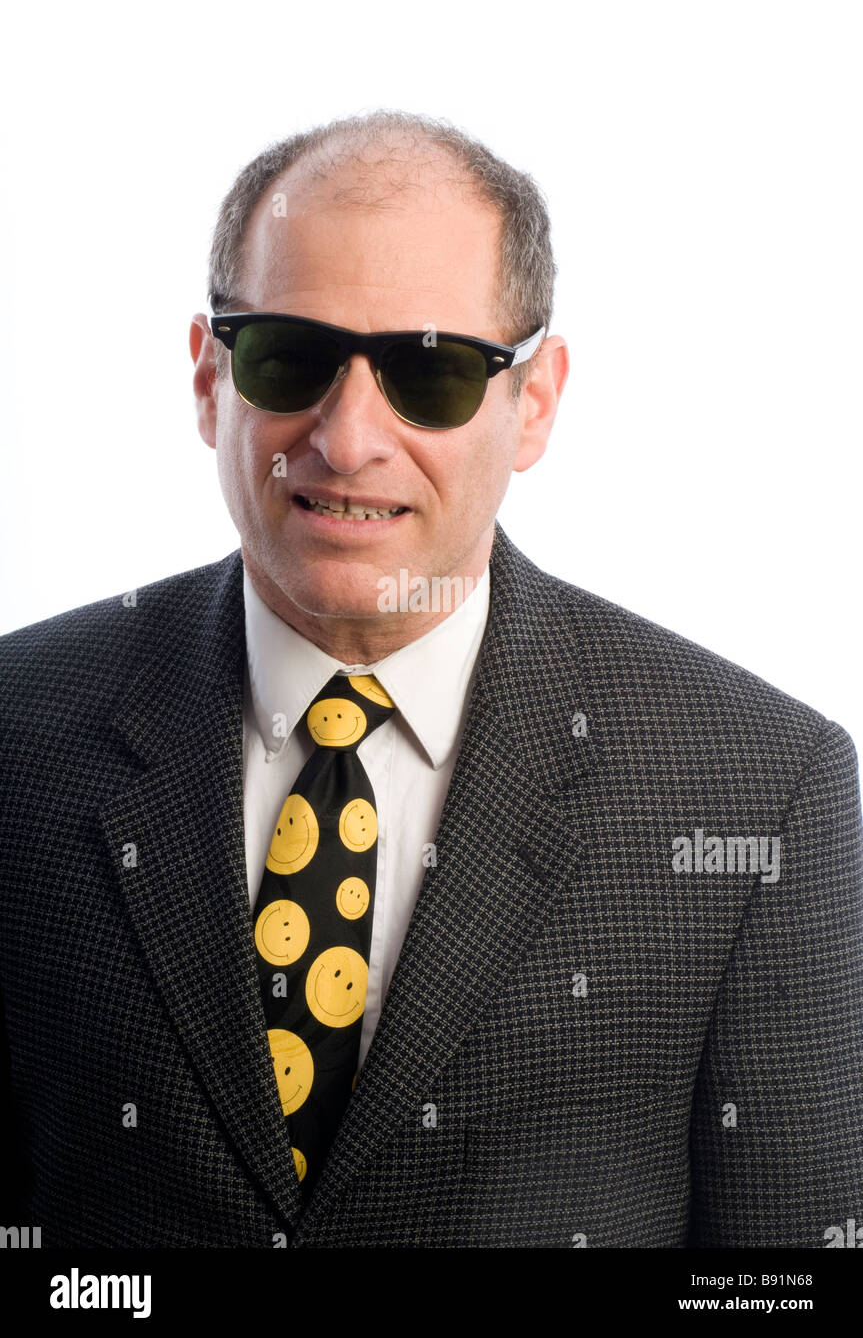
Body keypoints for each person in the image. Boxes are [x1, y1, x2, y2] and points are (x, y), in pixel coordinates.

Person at [1, 110, 861, 1249]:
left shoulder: (760, 789)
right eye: (289, 356)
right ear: (210, 380)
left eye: (431, 372)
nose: (349, 439)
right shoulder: (19, 731)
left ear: (535, 401)